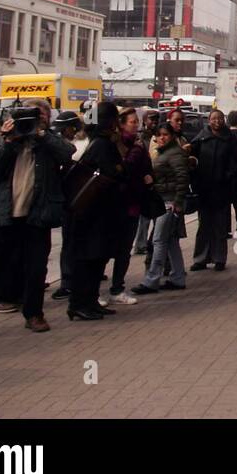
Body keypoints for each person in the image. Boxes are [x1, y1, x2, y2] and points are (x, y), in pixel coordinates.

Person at [0, 99, 73, 340]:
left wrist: (42, 133)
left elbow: (67, 153)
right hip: (4, 217)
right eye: (29, 116)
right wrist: (9, 140)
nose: (33, 120)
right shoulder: (5, 142)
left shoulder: (47, 143)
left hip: (36, 216)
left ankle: (34, 314)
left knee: (35, 270)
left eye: (40, 115)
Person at [66, 102, 127, 321]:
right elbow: (116, 173)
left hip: (95, 212)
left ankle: (89, 302)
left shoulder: (98, 142)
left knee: (96, 257)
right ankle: (79, 304)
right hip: (93, 212)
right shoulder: (103, 145)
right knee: (88, 259)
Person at [132, 123, 189, 294]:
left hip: (169, 202)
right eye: (159, 135)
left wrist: (178, 202)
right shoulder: (165, 152)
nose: (162, 138)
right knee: (170, 241)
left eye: (165, 134)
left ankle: (152, 280)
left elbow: (182, 178)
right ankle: (177, 277)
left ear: (172, 136)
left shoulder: (174, 154)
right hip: (165, 200)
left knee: (159, 240)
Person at [104, 107, 152, 306]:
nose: (136, 125)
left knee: (124, 250)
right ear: (122, 123)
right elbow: (124, 169)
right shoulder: (112, 145)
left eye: (137, 122)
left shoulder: (138, 145)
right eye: (132, 122)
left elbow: (146, 170)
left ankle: (117, 288)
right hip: (113, 205)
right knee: (105, 250)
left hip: (132, 204)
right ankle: (94, 291)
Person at [189, 109, 234, 271]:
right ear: (209, 120)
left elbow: (235, 163)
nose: (217, 121)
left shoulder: (230, 138)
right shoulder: (201, 137)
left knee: (220, 226)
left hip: (222, 189)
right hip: (204, 188)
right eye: (214, 119)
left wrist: (227, 176)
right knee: (204, 225)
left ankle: (219, 258)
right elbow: (191, 156)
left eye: (220, 118)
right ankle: (201, 258)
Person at [49, 110, 82, 301]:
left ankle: (71, 281)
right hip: (67, 200)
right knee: (68, 243)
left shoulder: (81, 143)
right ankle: (67, 282)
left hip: (78, 199)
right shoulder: (61, 144)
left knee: (73, 243)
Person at [132, 109, 161, 254]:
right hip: (144, 180)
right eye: (151, 119)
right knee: (143, 217)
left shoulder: (160, 136)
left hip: (157, 180)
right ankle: (140, 244)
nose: (154, 122)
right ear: (144, 121)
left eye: (156, 119)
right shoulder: (140, 137)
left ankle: (151, 242)